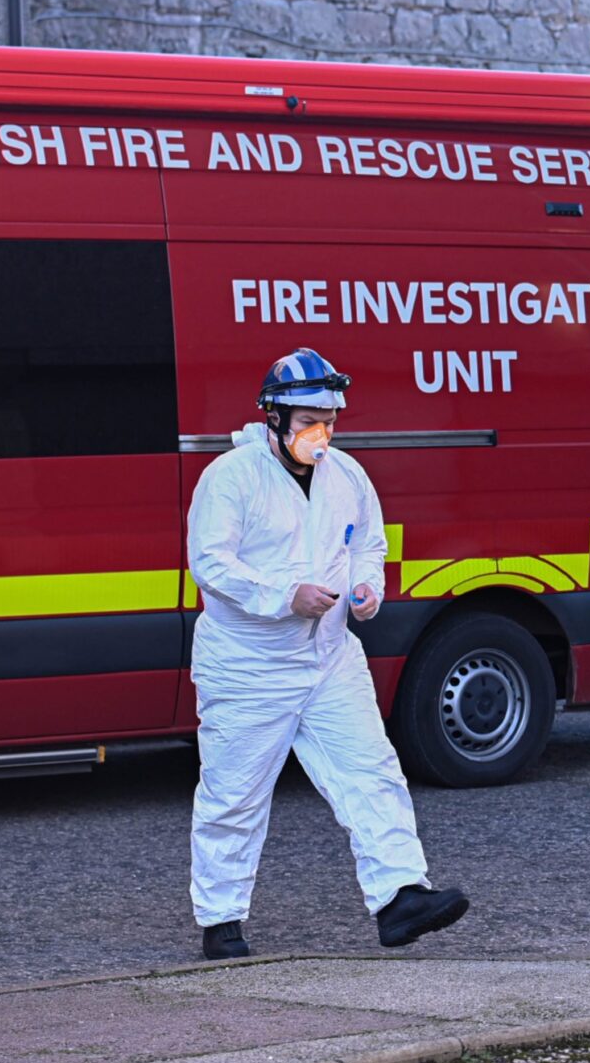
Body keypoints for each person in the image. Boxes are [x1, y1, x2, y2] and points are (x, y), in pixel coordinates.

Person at [186, 347, 468, 960]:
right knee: (234, 796)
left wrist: (367, 589)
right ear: (274, 417)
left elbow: (368, 543)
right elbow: (210, 563)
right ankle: (221, 919)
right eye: (310, 421)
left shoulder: (346, 475)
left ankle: (401, 897)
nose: (322, 433)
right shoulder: (231, 477)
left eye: (330, 421)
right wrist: (285, 595)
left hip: (331, 658)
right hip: (248, 666)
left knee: (372, 773)